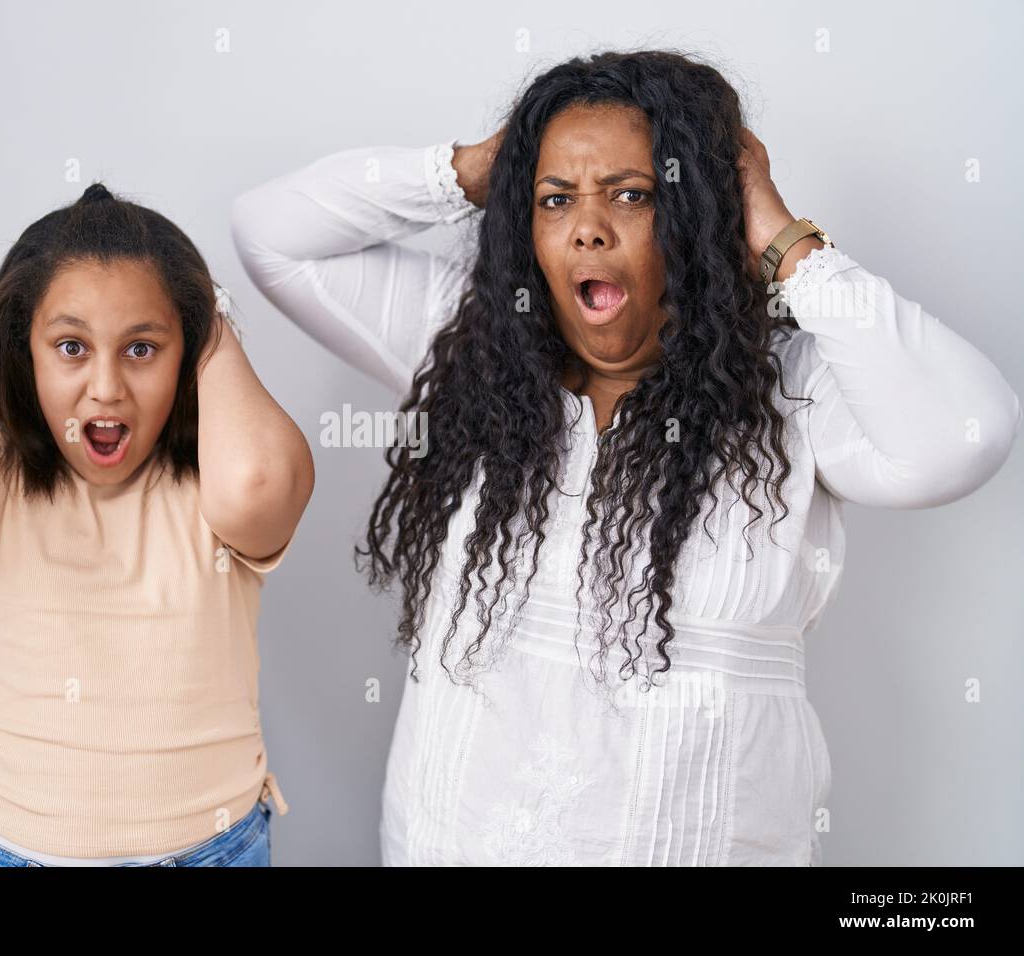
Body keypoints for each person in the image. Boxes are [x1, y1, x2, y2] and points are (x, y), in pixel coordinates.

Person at [229, 50, 1020, 865]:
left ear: (699, 215)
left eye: (633, 195)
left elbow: (969, 432)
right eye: (554, 198)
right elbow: (272, 236)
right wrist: (471, 170)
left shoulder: (790, 392)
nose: (588, 226)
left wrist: (781, 238)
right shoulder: (475, 351)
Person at [0, 183, 313, 866]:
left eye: (142, 349)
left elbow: (260, 486)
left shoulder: (215, 483)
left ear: (188, 353)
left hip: (212, 848)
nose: (106, 386)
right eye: (71, 347)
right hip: (7, 848)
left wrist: (208, 321)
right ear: (22, 353)